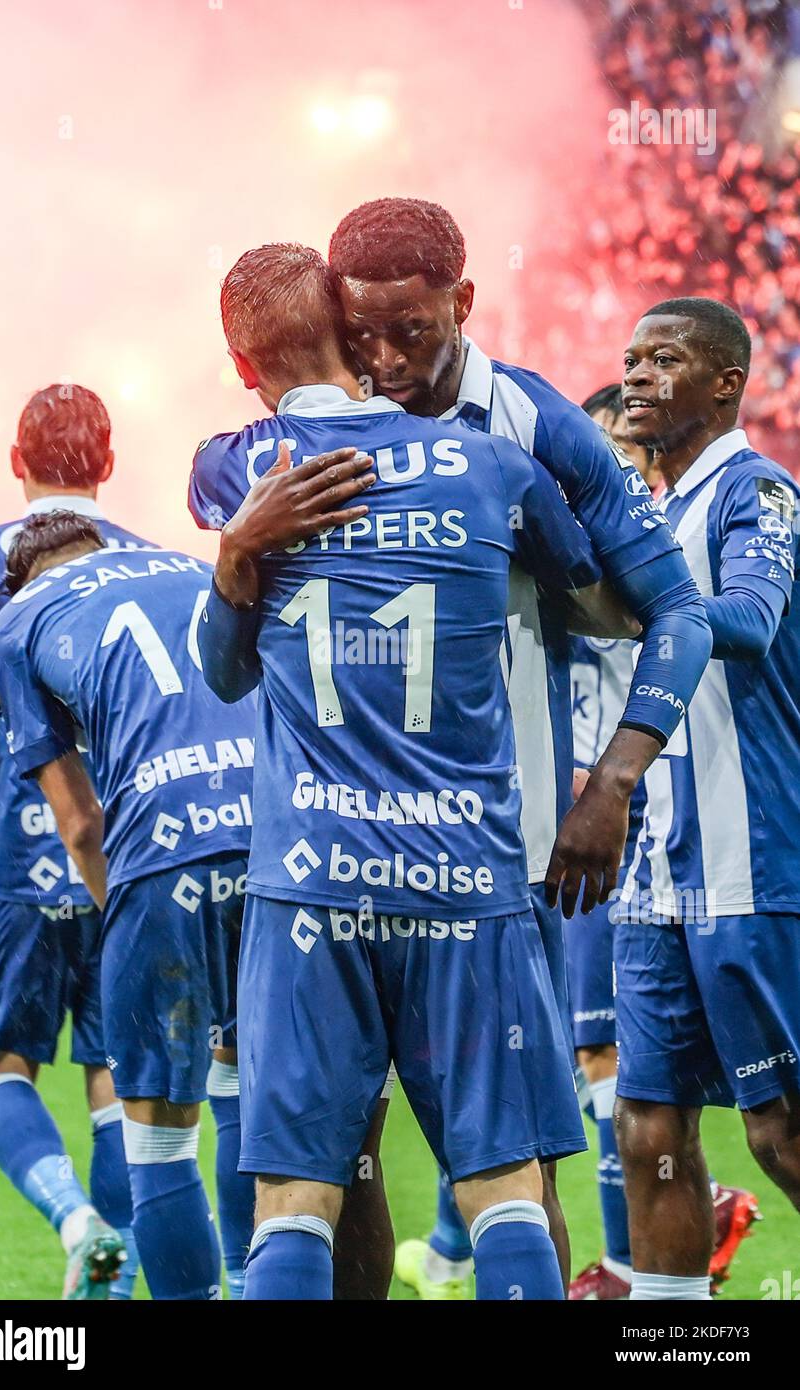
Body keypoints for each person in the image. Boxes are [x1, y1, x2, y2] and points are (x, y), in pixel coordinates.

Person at [189, 242, 706, 1300]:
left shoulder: (230, 468)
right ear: (345, 324)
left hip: (310, 881)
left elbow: (224, 668)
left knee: (296, 1196)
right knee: (507, 1185)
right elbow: (595, 594)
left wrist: (237, 556)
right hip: (467, 877)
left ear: (244, 368)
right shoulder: (495, 469)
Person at [327, 196, 713, 1297]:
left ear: (465, 301)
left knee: (510, 1162)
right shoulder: (321, 415)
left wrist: (615, 782)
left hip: (501, 854)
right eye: (365, 334)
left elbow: (676, 611)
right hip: (335, 855)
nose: (387, 359)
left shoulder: (539, 426)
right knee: (331, 1160)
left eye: (413, 331)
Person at [0, 512, 257, 1300]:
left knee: (161, 1139)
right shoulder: (184, 563)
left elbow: (81, 822)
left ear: (24, 576)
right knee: (247, 1092)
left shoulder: (14, 624)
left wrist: (128, 911)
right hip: (276, 844)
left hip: (162, 863)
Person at [0, 385, 146, 1298]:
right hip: (129, 859)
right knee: (114, 1078)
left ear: (16, 463)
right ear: (107, 464)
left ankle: (76, 1219)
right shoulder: (148, 562)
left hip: (25, 859)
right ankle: (115, 1265)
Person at [615, 297, 800, 1301]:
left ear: (723, 382)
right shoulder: (652, 512)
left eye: (664, 359)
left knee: (779, 1128)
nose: (637, 374)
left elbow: (751, 619)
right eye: (631, 358)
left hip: (751, 852)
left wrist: (642, 605)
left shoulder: (754, 489)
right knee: (647, 1124)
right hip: (656, 864)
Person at [565, 385, 759, 1300]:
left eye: (617, 450)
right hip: (614, 849)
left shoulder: (709, 518)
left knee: (770, 1125)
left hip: (681, 838)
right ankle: (656, 1295)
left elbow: (745, 624)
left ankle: (623, 1263)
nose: (606, 464)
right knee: (631, 1098)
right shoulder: (592, 537)